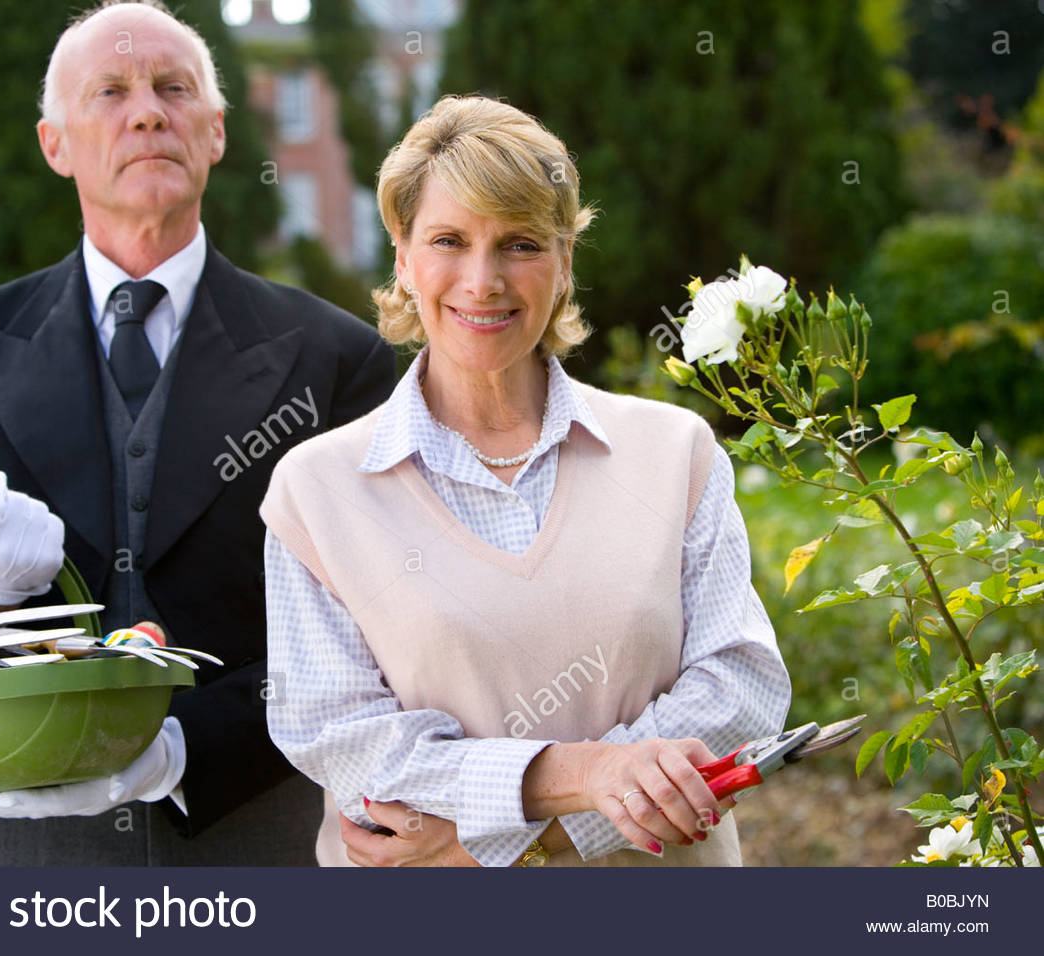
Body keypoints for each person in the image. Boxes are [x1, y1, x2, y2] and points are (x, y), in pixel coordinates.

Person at [0, 0, 395, 866]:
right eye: (109, 91)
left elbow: (374, 628)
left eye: (173, 88)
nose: (147, 110)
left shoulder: (338, 358)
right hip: (19, 835)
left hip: (262, 821)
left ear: (217, 132)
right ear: (55, 145)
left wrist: (186, 749)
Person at [259, 95, 792, 867]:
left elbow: (741, 691)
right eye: (449, 241)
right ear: (403, 258)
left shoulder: (675, 452)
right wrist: (584, 774)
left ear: (565, 260)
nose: (483, 281)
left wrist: (518, 834)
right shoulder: (317, 491)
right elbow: (345, 741)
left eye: (519, 244)